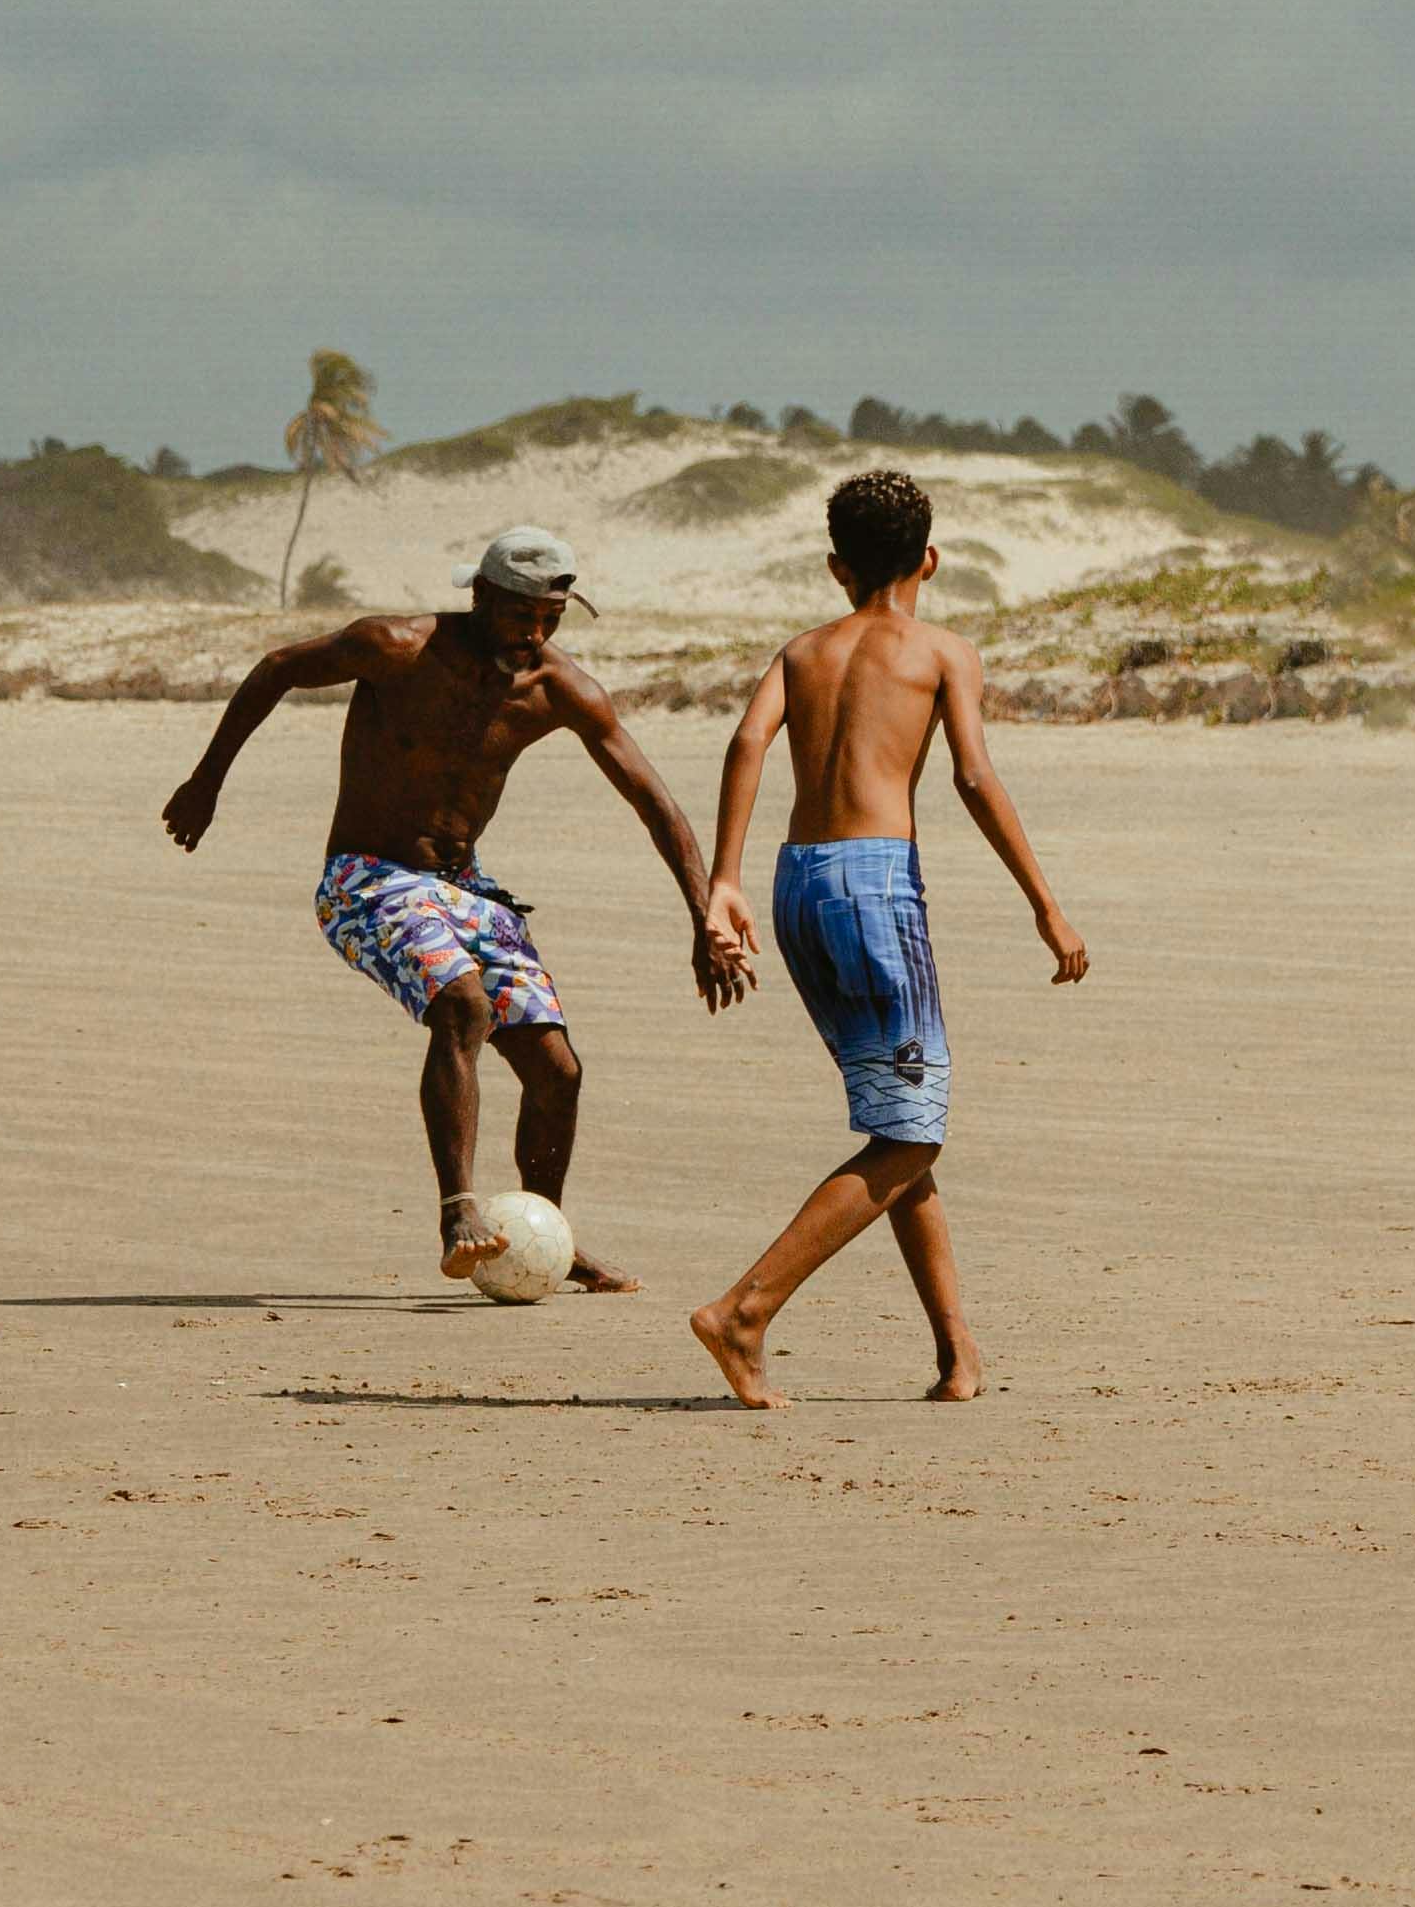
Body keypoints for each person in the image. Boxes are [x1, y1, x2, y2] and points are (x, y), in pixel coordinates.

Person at [163, 526, 748, 1287]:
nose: (534, 634)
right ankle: (459, 1210)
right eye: (519, 616)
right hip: (365, 880)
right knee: (464, 1009)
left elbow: (656, 804)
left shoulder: (558, 687)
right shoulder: (397, 646)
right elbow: (277, 668)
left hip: (466, 887)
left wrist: (703, 915)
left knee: (557, 1070)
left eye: (551, 618)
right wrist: (207, 780)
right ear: (480, 597)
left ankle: (545, 1237)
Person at [687, 470, 1087, 1406]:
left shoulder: (802, 652)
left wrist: (724, 880)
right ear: (932, 560)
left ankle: (958, 1355)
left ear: (836, 567)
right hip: (874, 889)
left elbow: (746, 745)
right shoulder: (942, 649)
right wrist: (1045, 903)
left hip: (793, 883)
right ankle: (745, 1309)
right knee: (909, 1135)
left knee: (898, 1118)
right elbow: (976, 779)